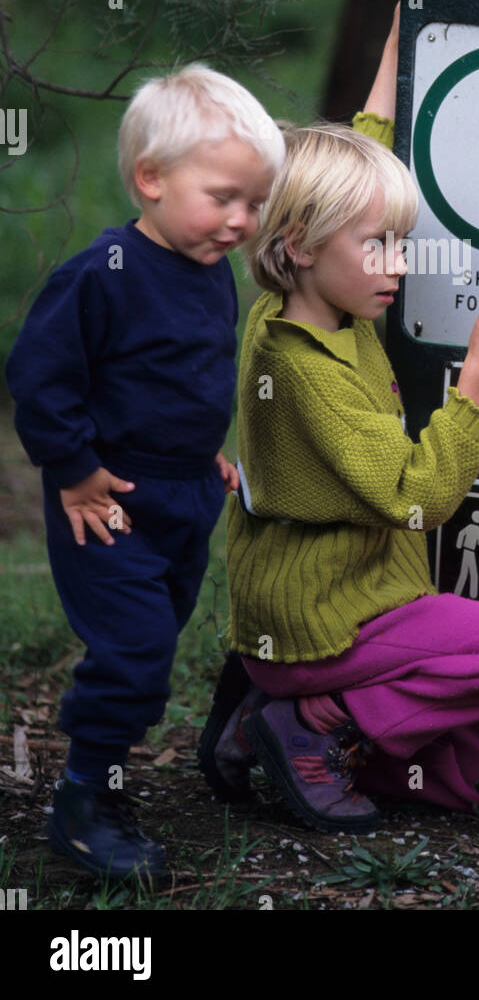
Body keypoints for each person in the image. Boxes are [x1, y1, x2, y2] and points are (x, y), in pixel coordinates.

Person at [198, 0, 479, 832]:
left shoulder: (307, 296)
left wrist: (411, 21)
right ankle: (303, 720)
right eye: (380, 247)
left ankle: (260, 717)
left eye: (401, 244)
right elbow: (417, 498)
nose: (399, 266)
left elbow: (365, 138)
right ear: (300, 244)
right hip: (325, 620)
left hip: (331, 606)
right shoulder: (305, 365)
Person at [6, 63, 285, 880]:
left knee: (155, 640)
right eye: (224, 197)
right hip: (109, 496)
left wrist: (204, 451)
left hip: (183, 493)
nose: (241, 221)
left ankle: (107, 776)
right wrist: (73, 472)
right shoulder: (102, 274)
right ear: (151, 179)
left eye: (254, 203)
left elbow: (180, 375)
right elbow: (41, 376)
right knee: (134, 648)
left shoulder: (208, 271)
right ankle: (85, 804)